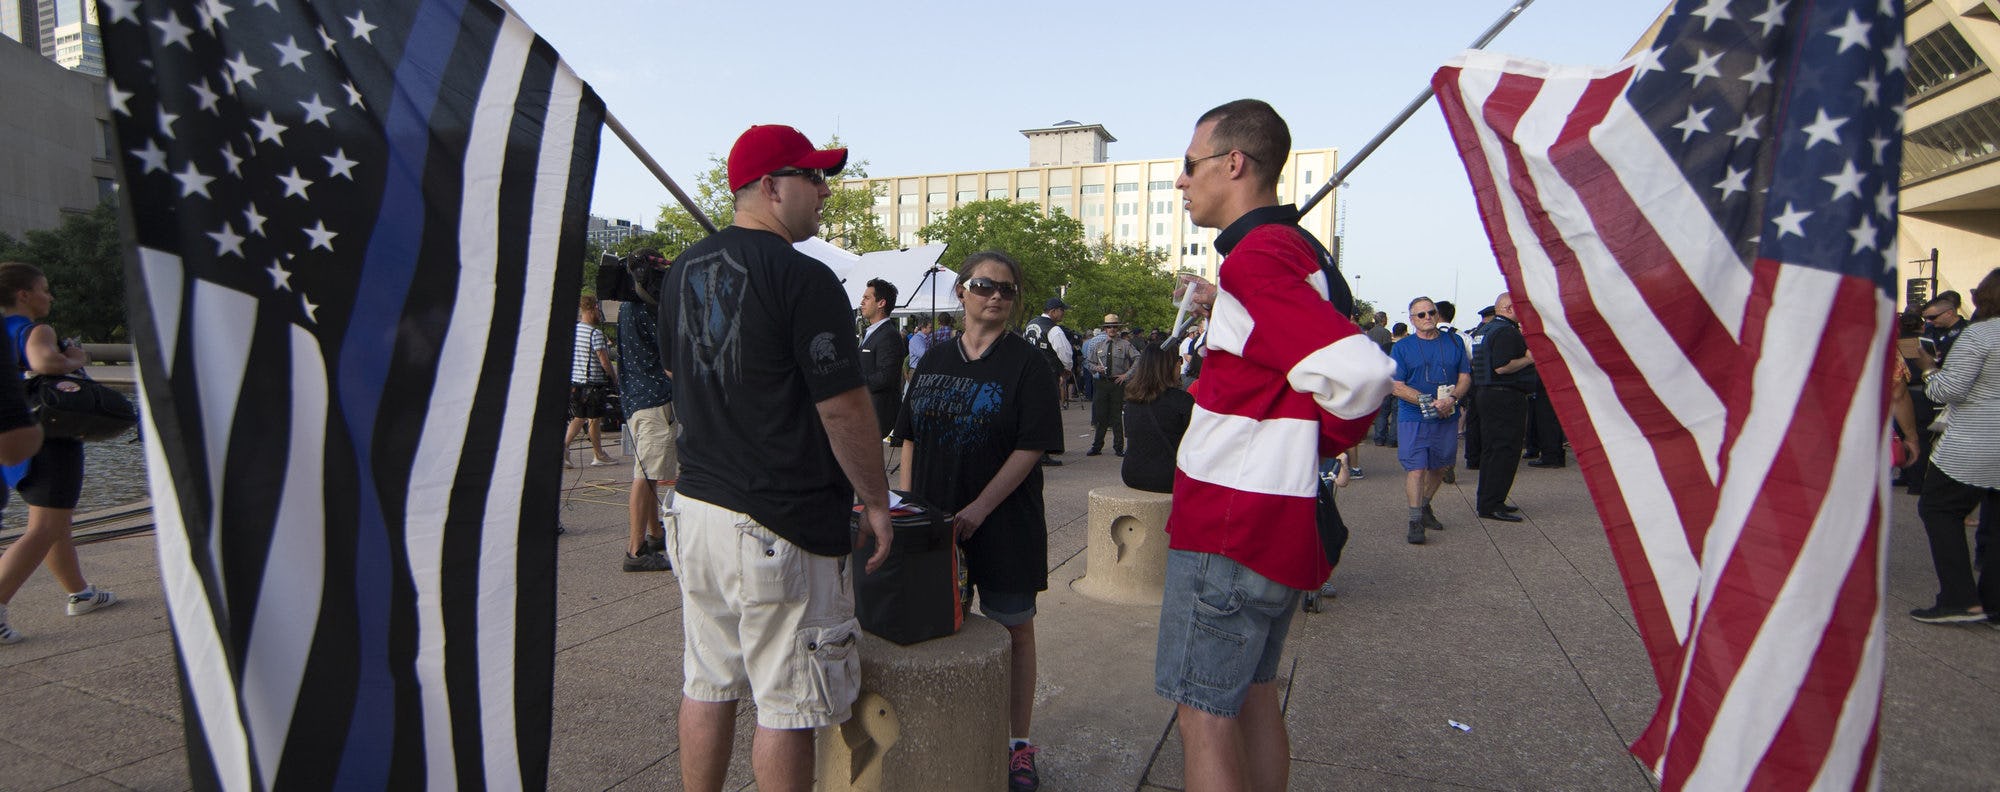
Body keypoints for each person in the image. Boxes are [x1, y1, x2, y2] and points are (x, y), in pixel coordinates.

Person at [1156, 99, 1395, 792]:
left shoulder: (1259, 257)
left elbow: (1363, 373)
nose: (1181, 181)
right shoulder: (1294, 253)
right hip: (1270, 513)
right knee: (1255, 695)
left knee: (1202, 715)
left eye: (1189, 164)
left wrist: (1312, 441)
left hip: (1233, 518)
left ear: (1234, 164)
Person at [653, 124, 893, 792]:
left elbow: (681, 378)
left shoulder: (680, 275)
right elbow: (843, 406)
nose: (823, 191)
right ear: (770, 186)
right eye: (812, 178)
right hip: (777, 520)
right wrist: (876, 502)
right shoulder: (803, 277)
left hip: (698, 509)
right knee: (787, 703)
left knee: (708, 682)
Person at [892, 251, 1062, 792]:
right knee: (940, 626)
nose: (996, 296)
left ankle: (1017, 743)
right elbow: (909, 435)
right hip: (936, 525)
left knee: (1015, 629)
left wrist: (978, 510)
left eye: (1008, 290)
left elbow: (1031, 446)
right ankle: (951, 727)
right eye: (985, 285)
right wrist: (911, 507)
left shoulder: (1030, 365)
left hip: (1005, 523)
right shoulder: (932, 360)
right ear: (962, 291)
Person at [0, 262, 103, 644]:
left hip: (15, 439)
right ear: (23, 295)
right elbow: (44, 362)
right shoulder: (36, 329)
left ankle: (82, 593)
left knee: (53, 521)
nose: (50, 296)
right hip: (51, 437)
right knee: (44, 528)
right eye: (44, 288)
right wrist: (76, 358)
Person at [1908, 268, 2000, 625]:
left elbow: (1949, 390)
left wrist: (1930, 369)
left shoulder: (1980, 335)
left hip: (1977, 438)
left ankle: (1959, 597)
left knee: (1938, 507)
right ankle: (1994, 603)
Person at [1391, 296, 1472, 545]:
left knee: (1440, 467)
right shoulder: (1402, 348)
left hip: (1446, 415)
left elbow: (1465, 377)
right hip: (1414, 417)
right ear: (1412, 320)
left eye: (1431, 312)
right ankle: (1415, 520)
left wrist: (1452, 398)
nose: (1427, 318)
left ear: (1437, 314)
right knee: (1417, 468)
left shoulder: (1454, 341)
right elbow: (1396, 386)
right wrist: (1429, 402)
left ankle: (1425, 506)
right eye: (1421, 315)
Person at [617, 250, 675, 573]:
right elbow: (668, 360)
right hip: (653, 402)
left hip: (637, 400)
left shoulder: (627, 307)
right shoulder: (646, 310)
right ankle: (635, 550)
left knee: (650, 473)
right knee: (645, 476)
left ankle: (654, 536)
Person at [1472, 293, 1533, 522]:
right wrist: (1529, 358)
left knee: (1492, 451)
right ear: (1508, 308)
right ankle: (1492, 504)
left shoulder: (1484, 330)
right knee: (1504, 451)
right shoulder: (1506, 331)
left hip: (1487, 395)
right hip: (1504, 396)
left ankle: (1489, 499)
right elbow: (1502, 367)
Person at [1121, 344, 1192, 493]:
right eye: (1179, 360)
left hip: (1132, 473)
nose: (1180, 364)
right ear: (1168, 365)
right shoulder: (1182, 400)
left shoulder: (1132, 400)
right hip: (1168, 477)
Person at [563, 295, 618, 467]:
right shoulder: (595, 333)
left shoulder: (575, 331)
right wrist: (613, 378)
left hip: (576, 381)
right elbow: (604, 360)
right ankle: (595, 454)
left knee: (585, 417)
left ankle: (594, 453)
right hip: (592, 383)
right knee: (589, 417)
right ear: (594, 308)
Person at [1021, 298, 1073, 465]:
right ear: (1053, 311)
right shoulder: (1053, 329)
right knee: (1046, 412)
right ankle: (1043, 452)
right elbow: (1064, 352)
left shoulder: (1030, 324)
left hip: (1029, 372)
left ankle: (1038, 449)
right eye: (1061, 310)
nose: (1063, 313)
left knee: (1034, 412)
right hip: (1047, 372)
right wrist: (1066, 369)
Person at [859, 277, 906, 440]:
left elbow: (885, 377)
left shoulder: (888, 335)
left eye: (867, 298)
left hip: (875, 416)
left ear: (881, 303)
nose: (862, 302)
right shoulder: (873, 332)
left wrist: (852, 381)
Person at [1086, 314, 1137, 457]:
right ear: (1105, 329)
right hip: (1101, 382)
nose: (1112, 329)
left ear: (1118, 328)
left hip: (1116, 382)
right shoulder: (1098, 345)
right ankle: (1097, 446)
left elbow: (1138, 359)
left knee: (1116, 417)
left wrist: (1126, 375)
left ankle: (1119, 447)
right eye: (1109, 327)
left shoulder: (1125, 345)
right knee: (1100, 416)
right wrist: (1096, 368)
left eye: (1114, 326)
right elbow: (1088, 362)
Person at [1462, 305, 1498, 470]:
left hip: (1474, 384)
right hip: (1489, 384)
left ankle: (1472, 457)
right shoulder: (1493, 332)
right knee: (1487, 423)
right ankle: (1484, 457)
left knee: (1473, 420)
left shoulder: (1475, 333)